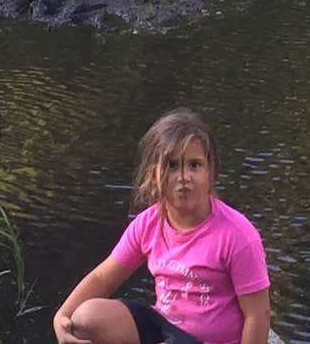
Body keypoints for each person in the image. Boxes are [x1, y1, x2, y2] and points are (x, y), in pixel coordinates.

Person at [52, 110, 270, 344]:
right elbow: (103, 278)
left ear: (211, 173)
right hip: (164, 326)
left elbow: (257, 315)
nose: (184, 176)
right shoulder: (148, 224)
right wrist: (62, 316)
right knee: (87, 318)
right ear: (154, 175)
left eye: (195, 165)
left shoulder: (236, 235)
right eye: (172, 166)